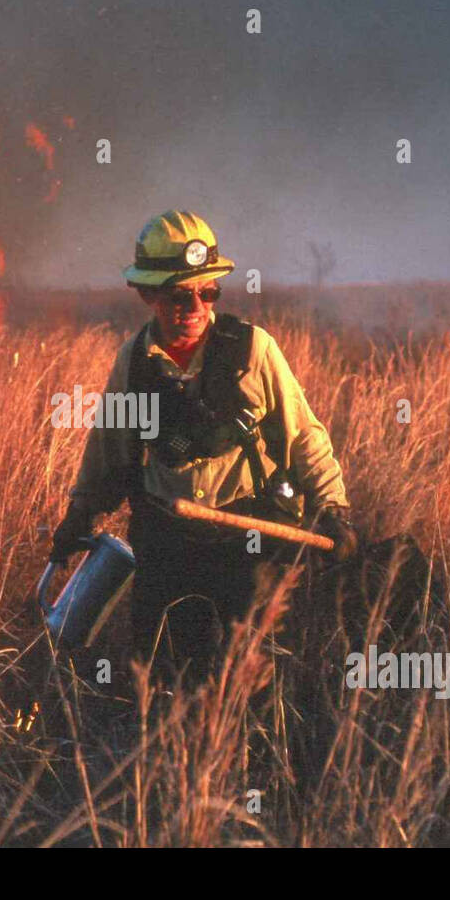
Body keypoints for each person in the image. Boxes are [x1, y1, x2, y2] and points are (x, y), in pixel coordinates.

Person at [50, 210, 357, 680]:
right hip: (167, 536)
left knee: (246, 673)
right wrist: (80, 514)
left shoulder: (252, 351)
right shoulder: (134, 362)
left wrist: (333, 509)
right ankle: (166, 746)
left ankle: (248, 749)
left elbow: (304, 436)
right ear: (149, 295)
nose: (195, 307)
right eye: (178, 295)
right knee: (158, 671)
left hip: (248, 533)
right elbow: (110, 448)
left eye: (207, 292)